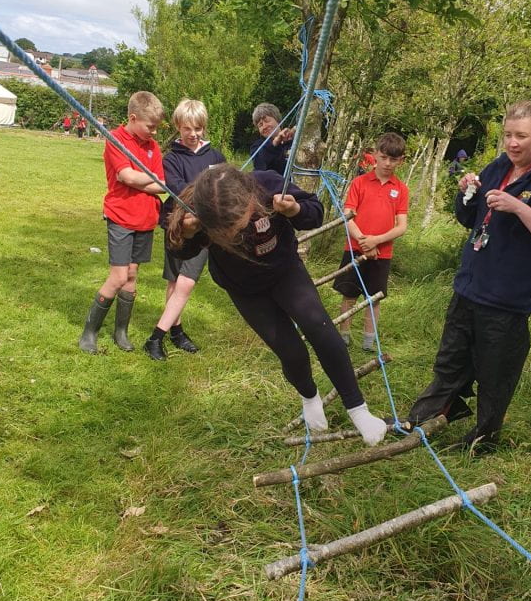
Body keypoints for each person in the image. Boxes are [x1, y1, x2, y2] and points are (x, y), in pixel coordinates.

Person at [404, 99, 531, 452]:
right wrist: (466, 194)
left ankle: (482, 441)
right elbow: (471, 220)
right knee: (449, 360)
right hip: (469, 287)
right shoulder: (499, 166)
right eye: (507, 135)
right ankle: (423, 419)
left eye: (522, 136)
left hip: (506, 300)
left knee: (494, 374)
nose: (512, 143)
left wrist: (519, 207)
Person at [167, 164, 388, 444]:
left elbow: (314, 213)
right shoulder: (198, 210)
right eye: (226, 232)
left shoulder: (267, 184)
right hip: (245, 289)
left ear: (250, 199)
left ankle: (359, 410)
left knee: (319, 328)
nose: (234, 235)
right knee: (290, 350)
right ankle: (309, 398)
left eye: (238, 225)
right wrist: (187, 234)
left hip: (285, 271)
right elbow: (177, 248)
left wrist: (295, 210)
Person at [78, 91, 165, 354]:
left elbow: (162, 185)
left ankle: (121, 332)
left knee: (132, 276)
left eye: (157, 127)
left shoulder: (153, 147)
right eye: (150, 127)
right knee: (118, 276)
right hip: (121, 217)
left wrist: (148, 181)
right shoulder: (116, 140)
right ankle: (89, 332)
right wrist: (148, 180)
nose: (154, 133)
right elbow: (127, 177)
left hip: (146, 219)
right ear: (133, 118)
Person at [143, 98, 226, 360]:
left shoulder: (215, 156)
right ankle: (176, 331)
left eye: (198, 128)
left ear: (204, 127)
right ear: (178, 126)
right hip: (175, 225)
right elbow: (177, 188)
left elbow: (225, 187)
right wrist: (206, 194)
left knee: (186, 283)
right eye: (187, 128)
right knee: (174, 281)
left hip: (203, 230)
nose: (193, 134)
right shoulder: (170, 159)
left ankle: (156, 337)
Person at [335, 133, 408, 351]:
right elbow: (347, 215)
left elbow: (402, 225)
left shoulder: (401, 189)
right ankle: (344, 337)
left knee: (373, 299)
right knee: (349, 295)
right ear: (375, 154)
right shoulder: (359, 183)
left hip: (382, 254)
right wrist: (363, 240)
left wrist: (376, 241)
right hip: (355, 249)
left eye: (393, 159)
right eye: (384, 157)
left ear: (401, 160)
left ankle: (369, 342)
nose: (387, 163)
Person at [250, 103, 294, 175]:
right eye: (260, 125)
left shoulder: (293, 140)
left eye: (267, 121)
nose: (264, 126)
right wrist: (274, 143)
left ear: (277, 120)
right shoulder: (257, 146)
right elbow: (259, 164)